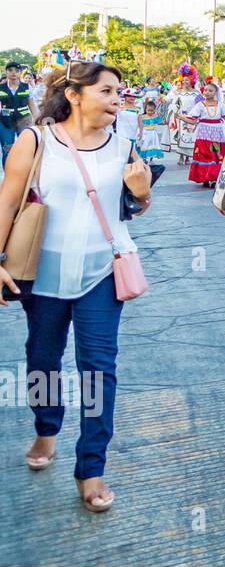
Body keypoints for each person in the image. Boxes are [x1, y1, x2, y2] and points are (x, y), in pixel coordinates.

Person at [0, 61, 153, 512]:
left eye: (119, 92)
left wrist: (142, 192)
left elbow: (133, 206)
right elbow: (7, 203)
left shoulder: (124, 144)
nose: (116, 99)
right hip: (42, 275)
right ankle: (46, 430)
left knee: (98, 370)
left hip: (103, 273)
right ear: (74, 95)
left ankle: (91, 468)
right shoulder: (35, 141)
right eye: (106, 91)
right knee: (43, 358)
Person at [183, 82, 225, 187]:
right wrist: (181, 117)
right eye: (206, 90)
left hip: (216, 134)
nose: (207, 92)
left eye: (210, 90)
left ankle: (214, 178)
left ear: (215, 92)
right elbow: (193, 120)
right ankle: (204, 176)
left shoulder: (221, 105)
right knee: (203, 154)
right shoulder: (200, 105)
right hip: (203, 133)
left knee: (215, 154)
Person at [0, 61, 37, 164]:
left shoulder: (27, 87)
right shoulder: (1, 88)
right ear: (6, 72)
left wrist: (39, 120)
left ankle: (24, 174)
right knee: (6, 150)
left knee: (26, 149)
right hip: (6, 123)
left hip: (24, 121)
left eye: (17, 70)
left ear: (20, 72)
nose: (13, 73)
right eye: (10, 70)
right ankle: (9, 176)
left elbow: (32, 106)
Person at [136, 99, 165, 164]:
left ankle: (151, 158)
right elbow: (139, 124)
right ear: (145, 109)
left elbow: (162, 122)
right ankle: (144, 158)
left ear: (154, 110)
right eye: (148, 110)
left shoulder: (155, 116)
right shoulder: (142, 116)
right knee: (144, 146)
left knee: (153, 146)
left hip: (152, 134)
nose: (150, 112)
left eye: (152, 110)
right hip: (145, 133)